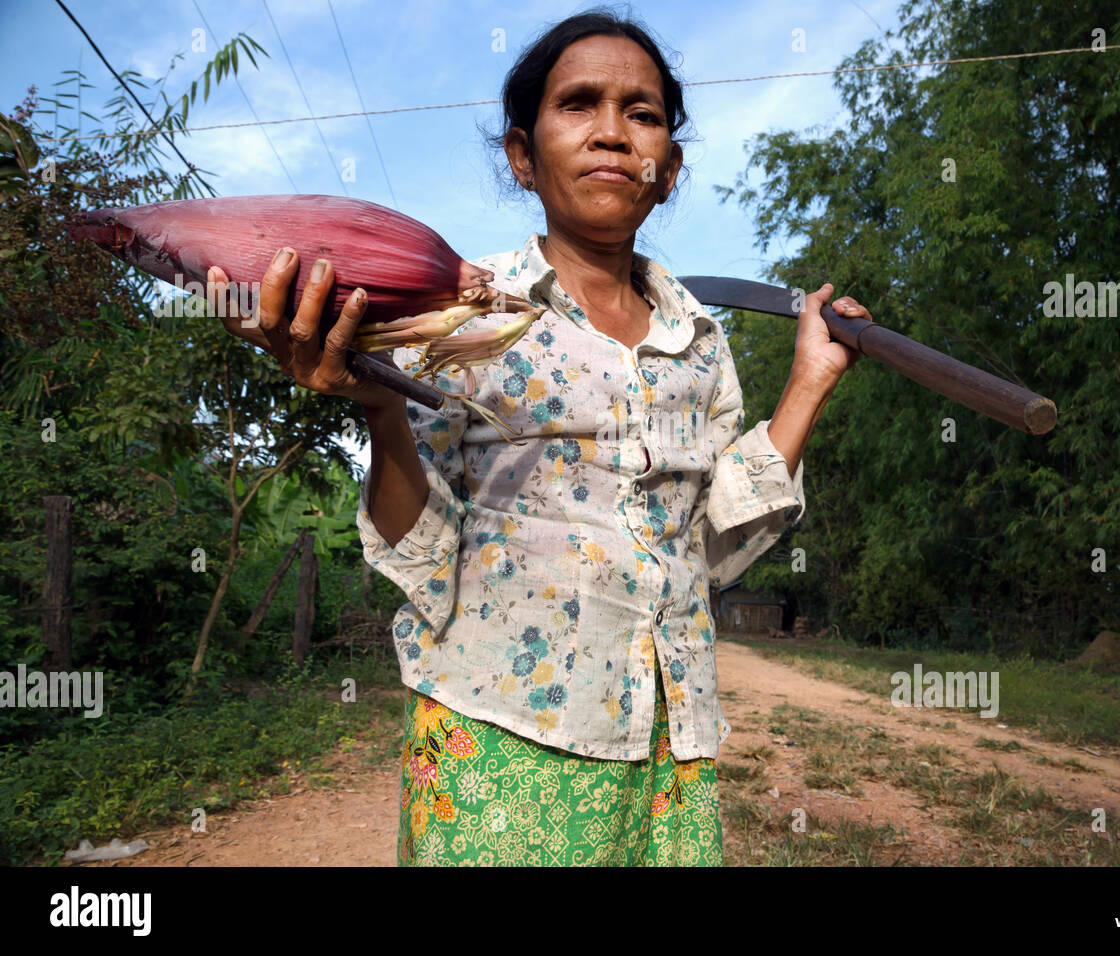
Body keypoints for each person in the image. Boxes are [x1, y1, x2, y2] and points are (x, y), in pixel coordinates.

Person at [207, 9, 869, 866]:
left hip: (669, 743)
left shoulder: (700, 342)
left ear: (668, 169)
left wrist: (810, 381)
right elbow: (423, 549)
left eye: (643, 113)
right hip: (501, 739)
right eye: (579, 104)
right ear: (523, 156)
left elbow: (705, 546)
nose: (611, 131)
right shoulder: (461, 320)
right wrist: (379, 411)